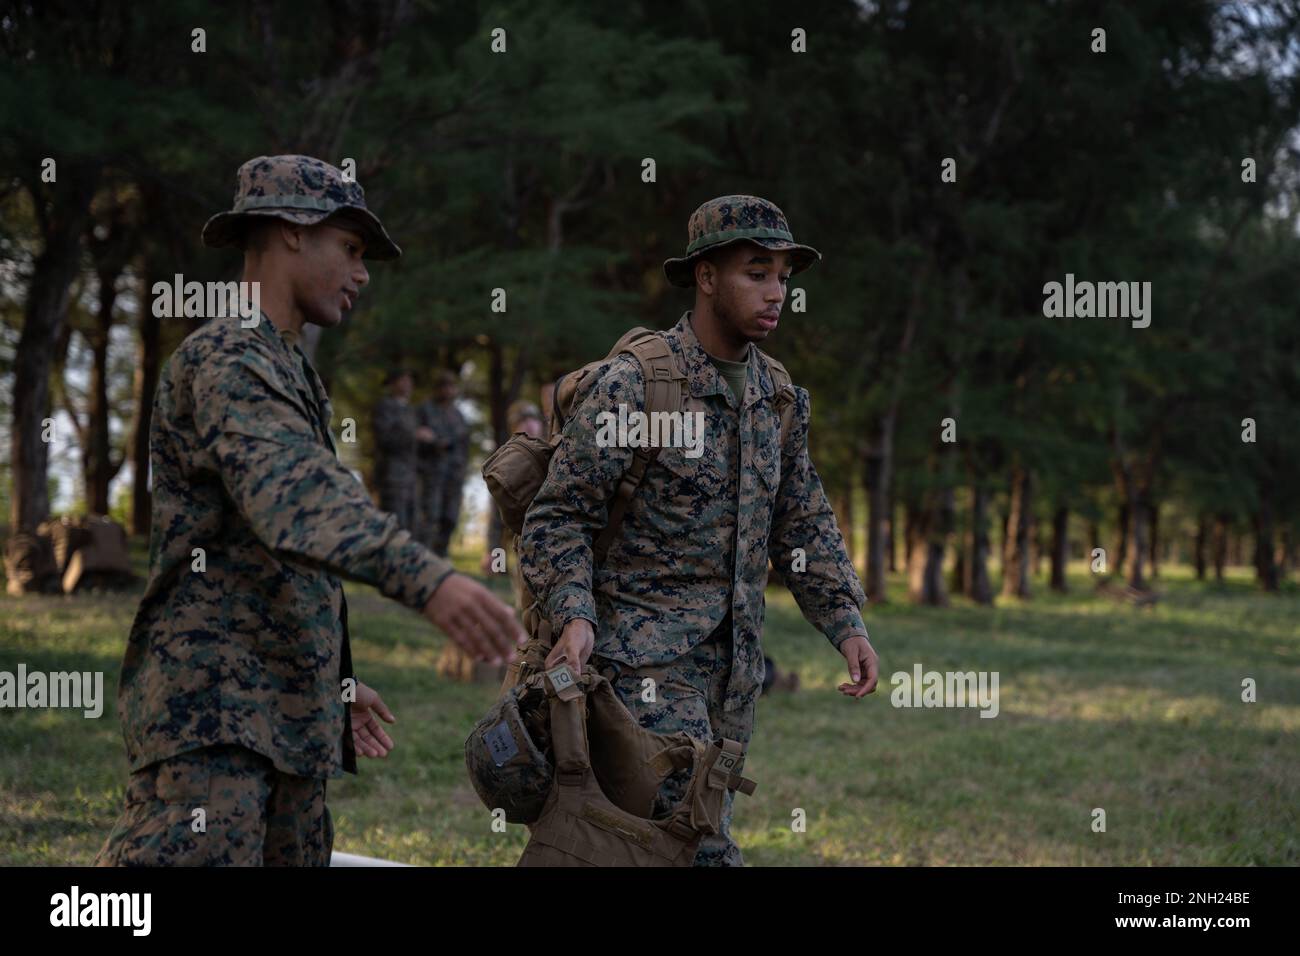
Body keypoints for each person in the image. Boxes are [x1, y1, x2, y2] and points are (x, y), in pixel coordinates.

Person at [94, 155, 526, 867]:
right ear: (293, 231)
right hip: (218, 717)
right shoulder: (229, 357)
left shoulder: (286, 366)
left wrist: (327, 683)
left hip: (282, 716)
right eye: (351, 249)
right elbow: (292, 499)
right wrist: (430, 580)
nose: (361, 274)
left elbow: (273, 556)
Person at [519, 194, 878, 866]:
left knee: (636, 852)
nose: (776, 293)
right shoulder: (637, 387)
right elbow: (559, 516)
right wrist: (573, 615)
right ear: (705, 276)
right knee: (698, 849)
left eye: (783, 278)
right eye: (756, 272)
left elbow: (800, 518)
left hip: (731, 681)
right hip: (637, 678)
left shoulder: (776, 396)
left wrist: (845, 623)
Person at [416, 370, 470, 556]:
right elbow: (417, 439)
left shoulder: (458, 415)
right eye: (443, 386)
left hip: (454, 476)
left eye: (451, 386)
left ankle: (441, 557)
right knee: (431, 517)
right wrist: (433, 442)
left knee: (450, 518)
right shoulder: (425, 410)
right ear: (437, 389)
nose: (448, 390)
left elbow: (464, 446)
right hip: (432, 474)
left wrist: (463, 471)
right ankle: (423, 559)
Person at [372, 369, 423, 531]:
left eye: (409, 380)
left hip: (410, 476)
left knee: (411, 525)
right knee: (395, 525)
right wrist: (414, 435)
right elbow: (384, 439)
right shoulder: (385, 407)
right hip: (392, 476)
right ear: (392, 384)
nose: (408, 384)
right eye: (403, 380)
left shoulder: (411, 411)